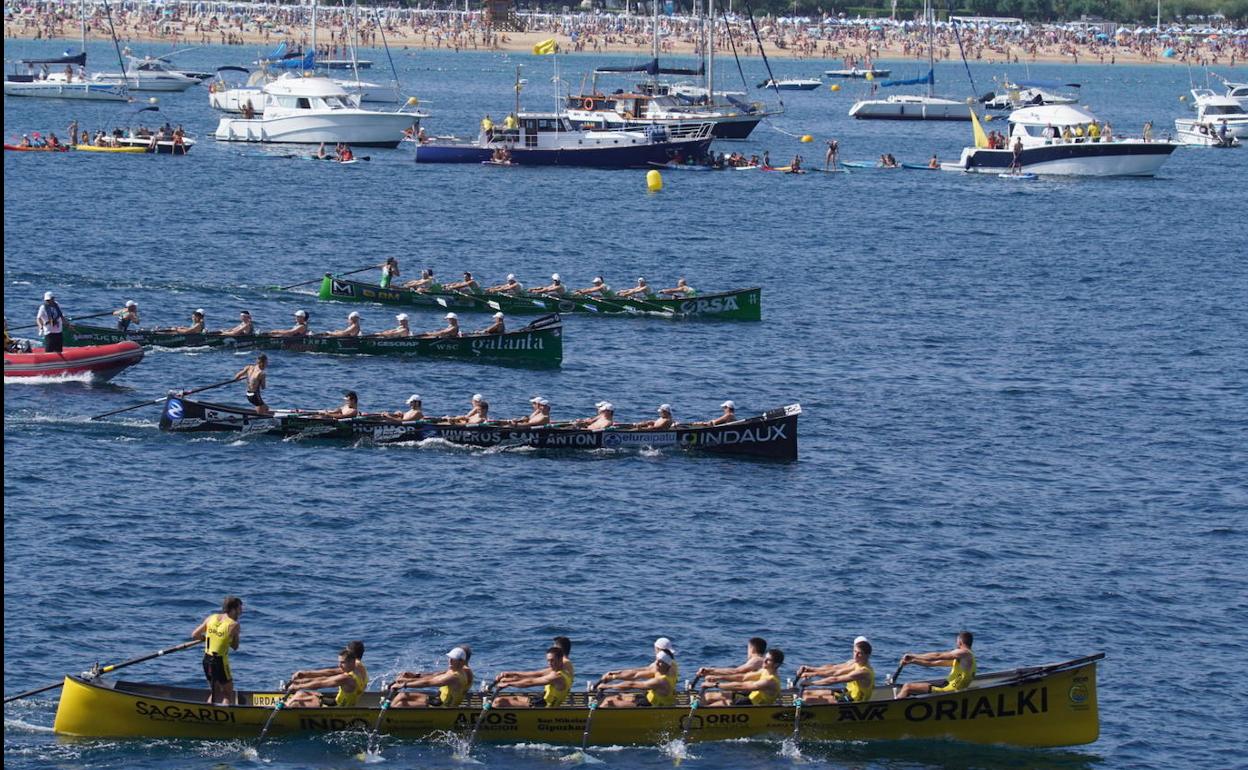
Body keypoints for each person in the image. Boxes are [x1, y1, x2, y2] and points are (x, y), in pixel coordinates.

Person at [190, 596, 243, 705]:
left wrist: (205, 638)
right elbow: (235, 646)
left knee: (215, 691)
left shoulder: (211, 618)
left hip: (207, 659)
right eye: (240, 609)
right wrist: (233, 637)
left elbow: (195, 635)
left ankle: (208, 712)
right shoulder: (234, 625)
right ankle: (225, 717)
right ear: (233, 609)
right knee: (228, 693)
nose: (241, 611)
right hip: (220, 662)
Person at [895, 631, 976, 698]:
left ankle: (894, 707)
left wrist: (913, 655)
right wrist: (912, 661)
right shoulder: (965, 658)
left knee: (908, 687)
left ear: (960, 641)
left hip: (949, 690)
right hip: (946, 685)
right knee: (911, 688)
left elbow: (937, 656)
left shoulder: (964, 653)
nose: (956, 644)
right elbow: (933, 663)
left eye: (957, 641)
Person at [796, 636, 874, 704]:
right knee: (807, 693)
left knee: (808, 700)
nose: (855, 655)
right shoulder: (856, 663)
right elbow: (835, 670)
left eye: (859, 653)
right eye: (854, 651)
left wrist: (811, 683)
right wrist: (811, 670)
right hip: (847, 693)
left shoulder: (864, 672)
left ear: (867, 655)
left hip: (855, 702)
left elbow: (836, 679)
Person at [284, 646, 368, 708]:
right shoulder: (359, 669)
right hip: (336, 701)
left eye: (342, 662)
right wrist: (303, 677)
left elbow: (321, 683)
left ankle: (284, 710)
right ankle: (286, 705)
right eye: (339, 662)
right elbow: (328, 675)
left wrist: (298, 686)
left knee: (296, 703)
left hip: (336, 708)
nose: (339, 665)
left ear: (352, 662)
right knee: (300, 693)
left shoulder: (347, 678)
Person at [492, 645, 574, 708]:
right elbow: (534, 674)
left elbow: (531, 682)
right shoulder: (562, 670)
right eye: (548, 660)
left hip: (544, 707)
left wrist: (509, 684)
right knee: (513, 698)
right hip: (540, 700)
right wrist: (510, 674)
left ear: (560, 660)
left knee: (499, 701)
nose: (549, 663)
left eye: (552, 660)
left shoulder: (557, 677)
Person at [391, 647, 470, 707]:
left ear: (461, 661)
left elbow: (428, 683)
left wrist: (404, 684)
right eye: (449, 658)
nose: (450, 661)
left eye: (453, 659)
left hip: (442, 706)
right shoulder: (453, 670)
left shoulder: (454, 677)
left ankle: (389, 717)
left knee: (401, 704)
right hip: (437, 699)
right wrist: (414, 676)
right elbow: (433, 677)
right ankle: (389, 712)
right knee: (402, 695)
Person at [702, 649, 784, 707]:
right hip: (750, 697)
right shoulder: (764, 671)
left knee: (715, 706)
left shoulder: (770, 681)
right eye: (765, 658)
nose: (764, 661)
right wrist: (718, 677)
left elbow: (742, 686)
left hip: (755, 706)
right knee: (709, 696)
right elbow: (743, 677)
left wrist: (715, 685)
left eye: (768, 660)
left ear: (776, 664)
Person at [597, 651, 677, 707]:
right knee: (617, 697)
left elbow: (631, 684)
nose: (656, 663)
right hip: (648, 698)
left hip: (652, 705)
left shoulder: (660, 681)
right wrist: (614, 675)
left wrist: (607, 687)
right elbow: (635, 674)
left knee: (609, 702)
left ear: (666, 665)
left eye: (660, 662)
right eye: (656, 660)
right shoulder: (668, 669)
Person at [696, 637, 768, 681]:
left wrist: (711, 670)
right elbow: (739, 676)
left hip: (751, 696)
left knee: (709, 697)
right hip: (749, 692)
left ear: (752, 649)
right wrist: (711, 673)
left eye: (747, 648)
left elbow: (736, 671)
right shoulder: (761, 661)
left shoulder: (757, 660)